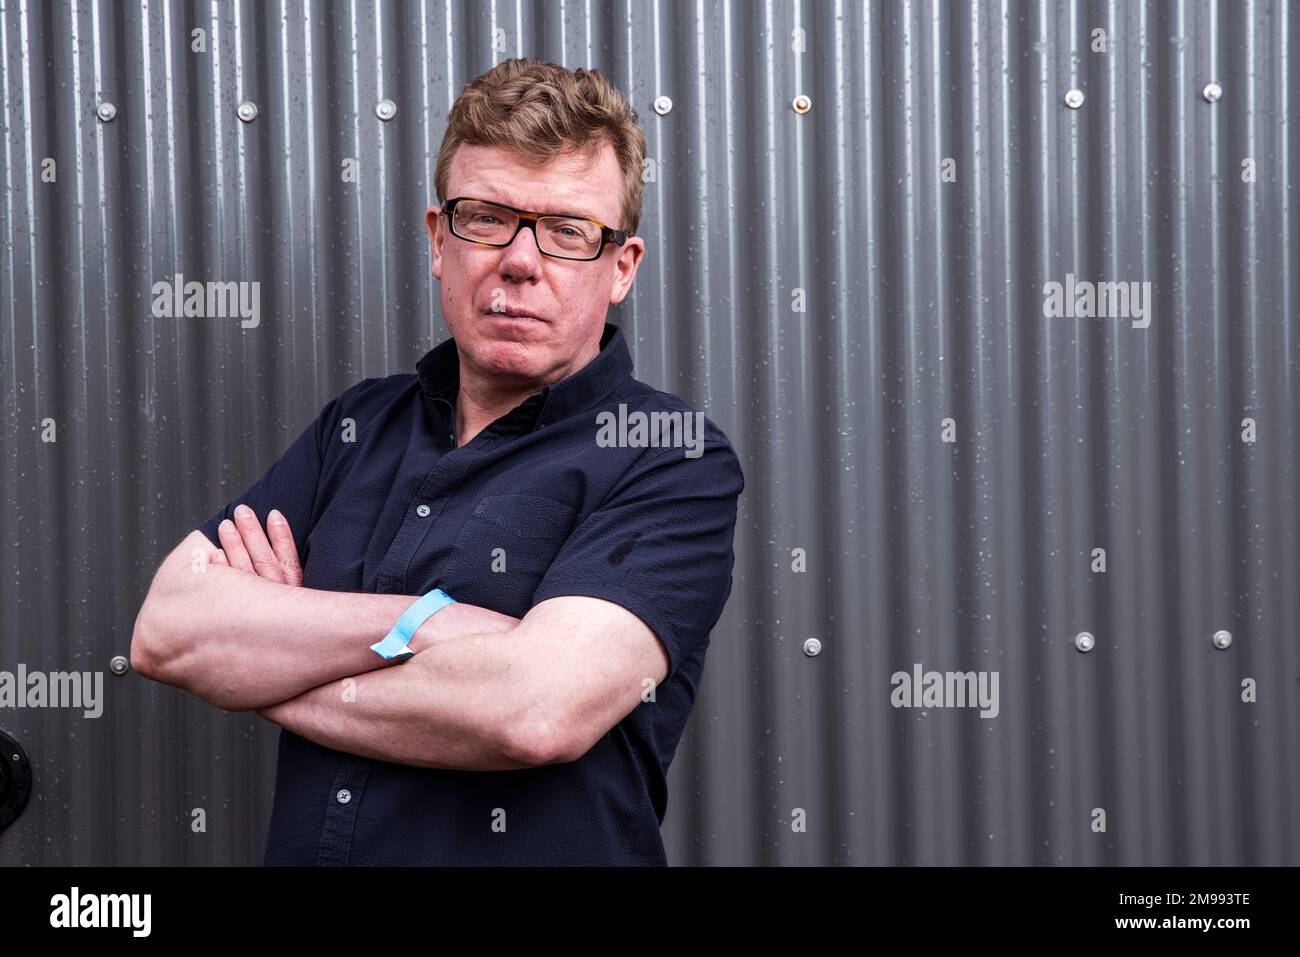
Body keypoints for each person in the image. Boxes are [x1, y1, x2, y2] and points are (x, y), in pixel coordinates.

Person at [130, 57, 744, 866]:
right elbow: (168, 632)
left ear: (620, 267)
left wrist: (265, 665)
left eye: (566, 231)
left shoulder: (671, 460)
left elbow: (532, 710)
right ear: (437, 239)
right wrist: (426, 624)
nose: (520, 261)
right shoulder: (354, 427)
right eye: (486, 216)